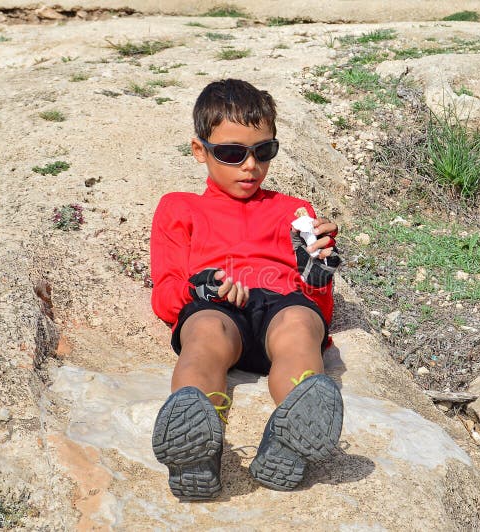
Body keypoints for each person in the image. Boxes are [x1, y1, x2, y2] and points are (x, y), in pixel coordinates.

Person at [149, 78, 343, 501]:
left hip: (282, 303)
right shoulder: (180, 207)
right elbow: (165, 296)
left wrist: (318, 277)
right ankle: (198, 443)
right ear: (200, 150)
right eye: (232, 153)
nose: (250, 166)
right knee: (203, 337)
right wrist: (199, 290)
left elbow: (317, 309)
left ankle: (288, 436)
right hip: (218, 306)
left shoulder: (293, 210)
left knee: (299, 326)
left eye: (263, 151)